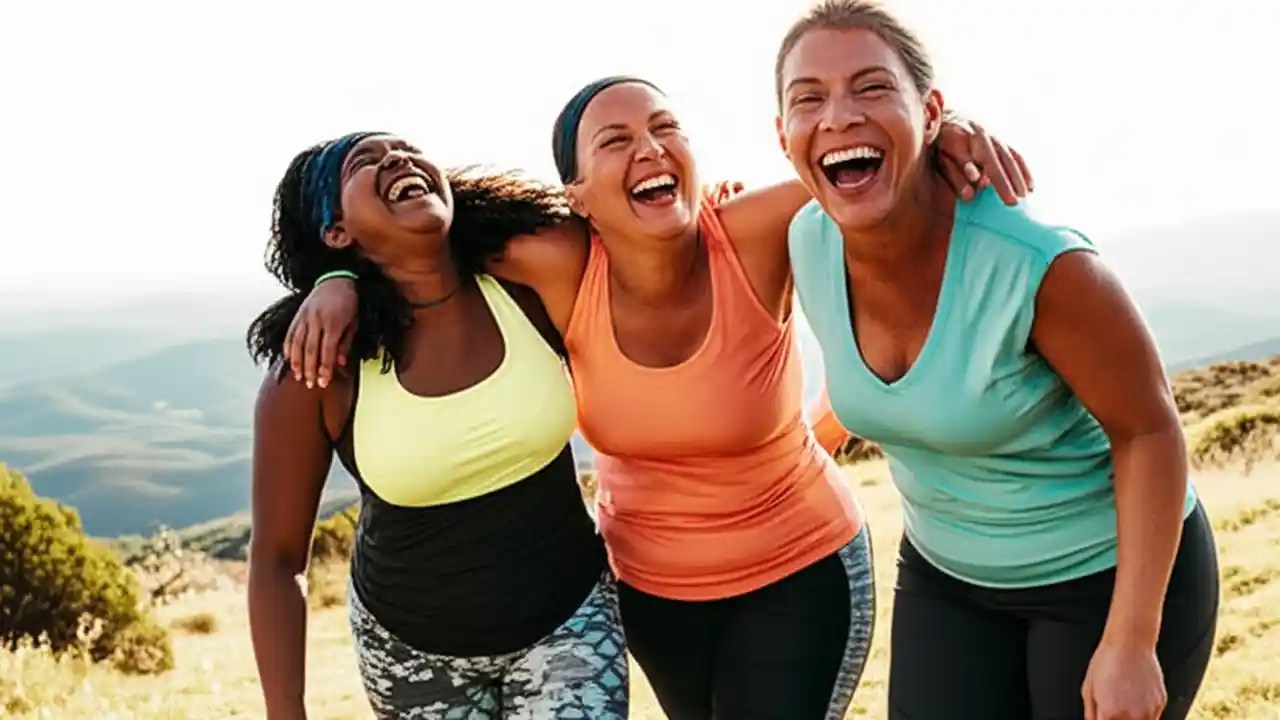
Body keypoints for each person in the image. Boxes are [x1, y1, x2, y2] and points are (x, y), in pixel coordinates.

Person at [285, 92, 1032, 718]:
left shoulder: (752, 233)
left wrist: (942, 132)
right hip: (654, 592)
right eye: (615, 140)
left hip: (799, 568)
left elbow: (867, 173)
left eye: (665, 129)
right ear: (577, 195)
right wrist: (335, 281)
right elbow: (420, 247)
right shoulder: (560, 264)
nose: (649, 148)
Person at [778, 3, 1221, 719]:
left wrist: (1133, 641)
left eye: (872, 87)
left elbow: (1149, 430)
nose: (838, 116)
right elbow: (673, 228)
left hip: (1104, 576)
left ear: (929, 113)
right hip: (947, 579)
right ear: (782, 136)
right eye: (809, 98)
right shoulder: (804, 238)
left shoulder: (1037, 265)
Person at [244, 132, 628, 720]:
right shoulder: (319, 368)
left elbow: (631, 237)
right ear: (336, 232)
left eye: (402, 147)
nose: (396, 157)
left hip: (570, 620)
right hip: (414, 658)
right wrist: (285, 713)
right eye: (364, 163)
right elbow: (276, 559)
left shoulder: (526, 286)